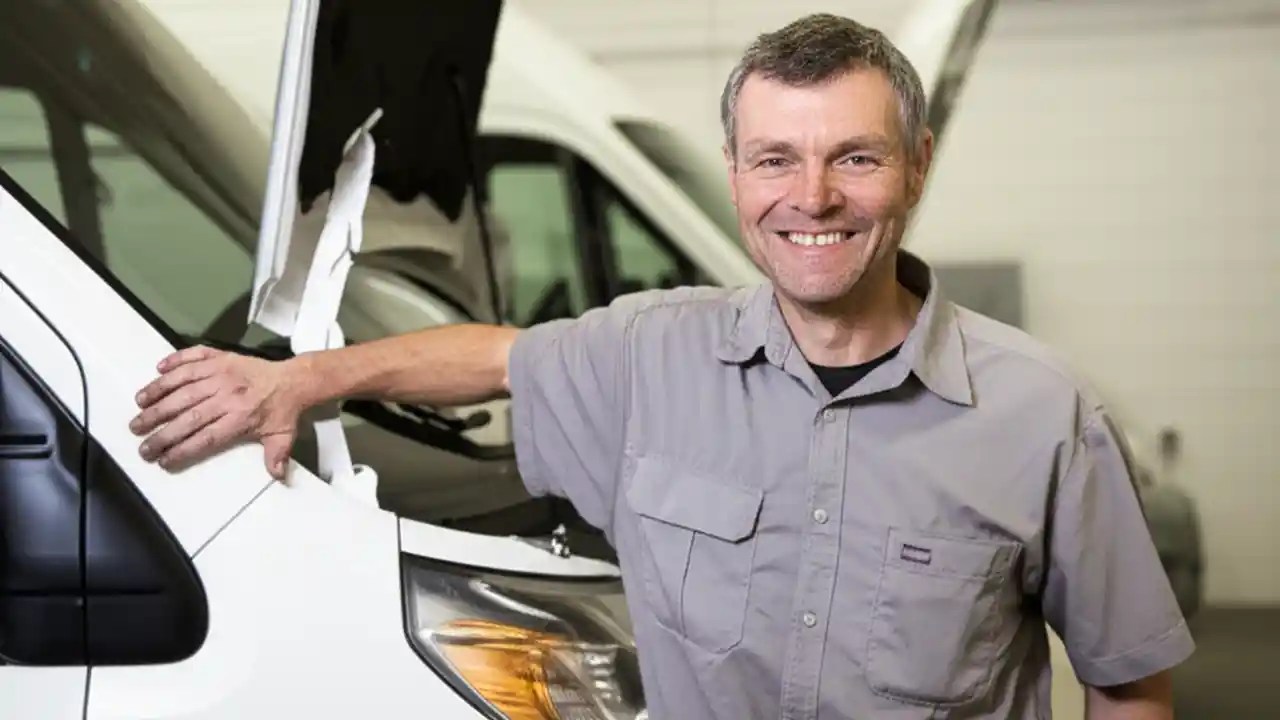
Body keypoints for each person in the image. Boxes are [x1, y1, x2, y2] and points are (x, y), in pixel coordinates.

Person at [130, 13, 1193, 719]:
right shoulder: (649, 356)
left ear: (911, 170)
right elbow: (490, 360)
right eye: (774, 159)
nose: (809, 197)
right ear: (736, 174)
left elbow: (1128, 684)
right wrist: (295, 380)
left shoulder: (1039, 416)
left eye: (853, 159)